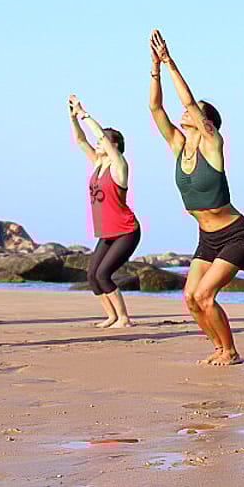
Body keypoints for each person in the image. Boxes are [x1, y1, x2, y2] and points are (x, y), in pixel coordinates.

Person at [149, 29, 244, 366]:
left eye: (196, 114)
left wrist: (170, 62)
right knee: (191, 299)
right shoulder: (179, 147)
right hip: (206, 238)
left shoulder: (212, 144)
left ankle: (232, 352)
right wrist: (154, 67)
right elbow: (155, 107)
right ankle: (219, 348)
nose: (187, 115)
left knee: (206, 296)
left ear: (207, 122)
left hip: (234, 235)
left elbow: (188, 103)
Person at [68, 94, 141, 328]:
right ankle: (111, 316)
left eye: (103, 143)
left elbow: (100, 136)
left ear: (114, 146)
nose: (97, 144)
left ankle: (124, 319)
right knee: (92, 276)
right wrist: (73, 119)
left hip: (126, 230)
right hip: (107, 231)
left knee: (103, 275)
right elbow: (81, 141)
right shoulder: (97, 164)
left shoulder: (119, 166)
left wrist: (85, 113)